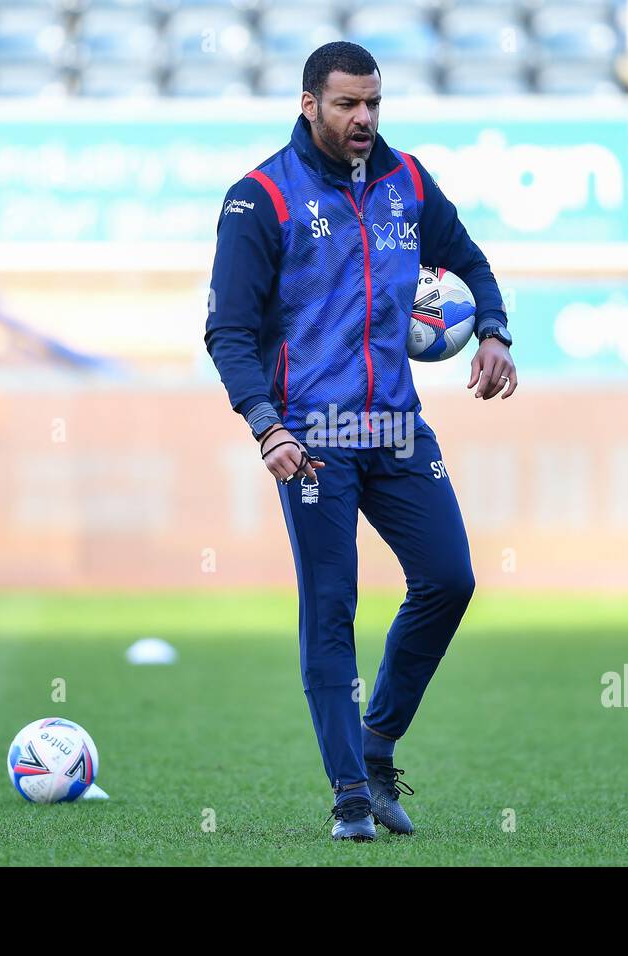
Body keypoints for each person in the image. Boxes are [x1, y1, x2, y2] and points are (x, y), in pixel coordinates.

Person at [204, 42, 516, 841]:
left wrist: (494, 331)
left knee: (450, 578)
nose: (364, 119)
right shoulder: (259, 199)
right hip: (311, 437)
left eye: (374, 102)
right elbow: (229, 331)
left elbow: (470, 261)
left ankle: (376, 747)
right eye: (347, 104)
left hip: (399, 427)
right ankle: (350, 797)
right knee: (332, 607)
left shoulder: (407, 181)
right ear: (309, 103)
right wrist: (264, 423)